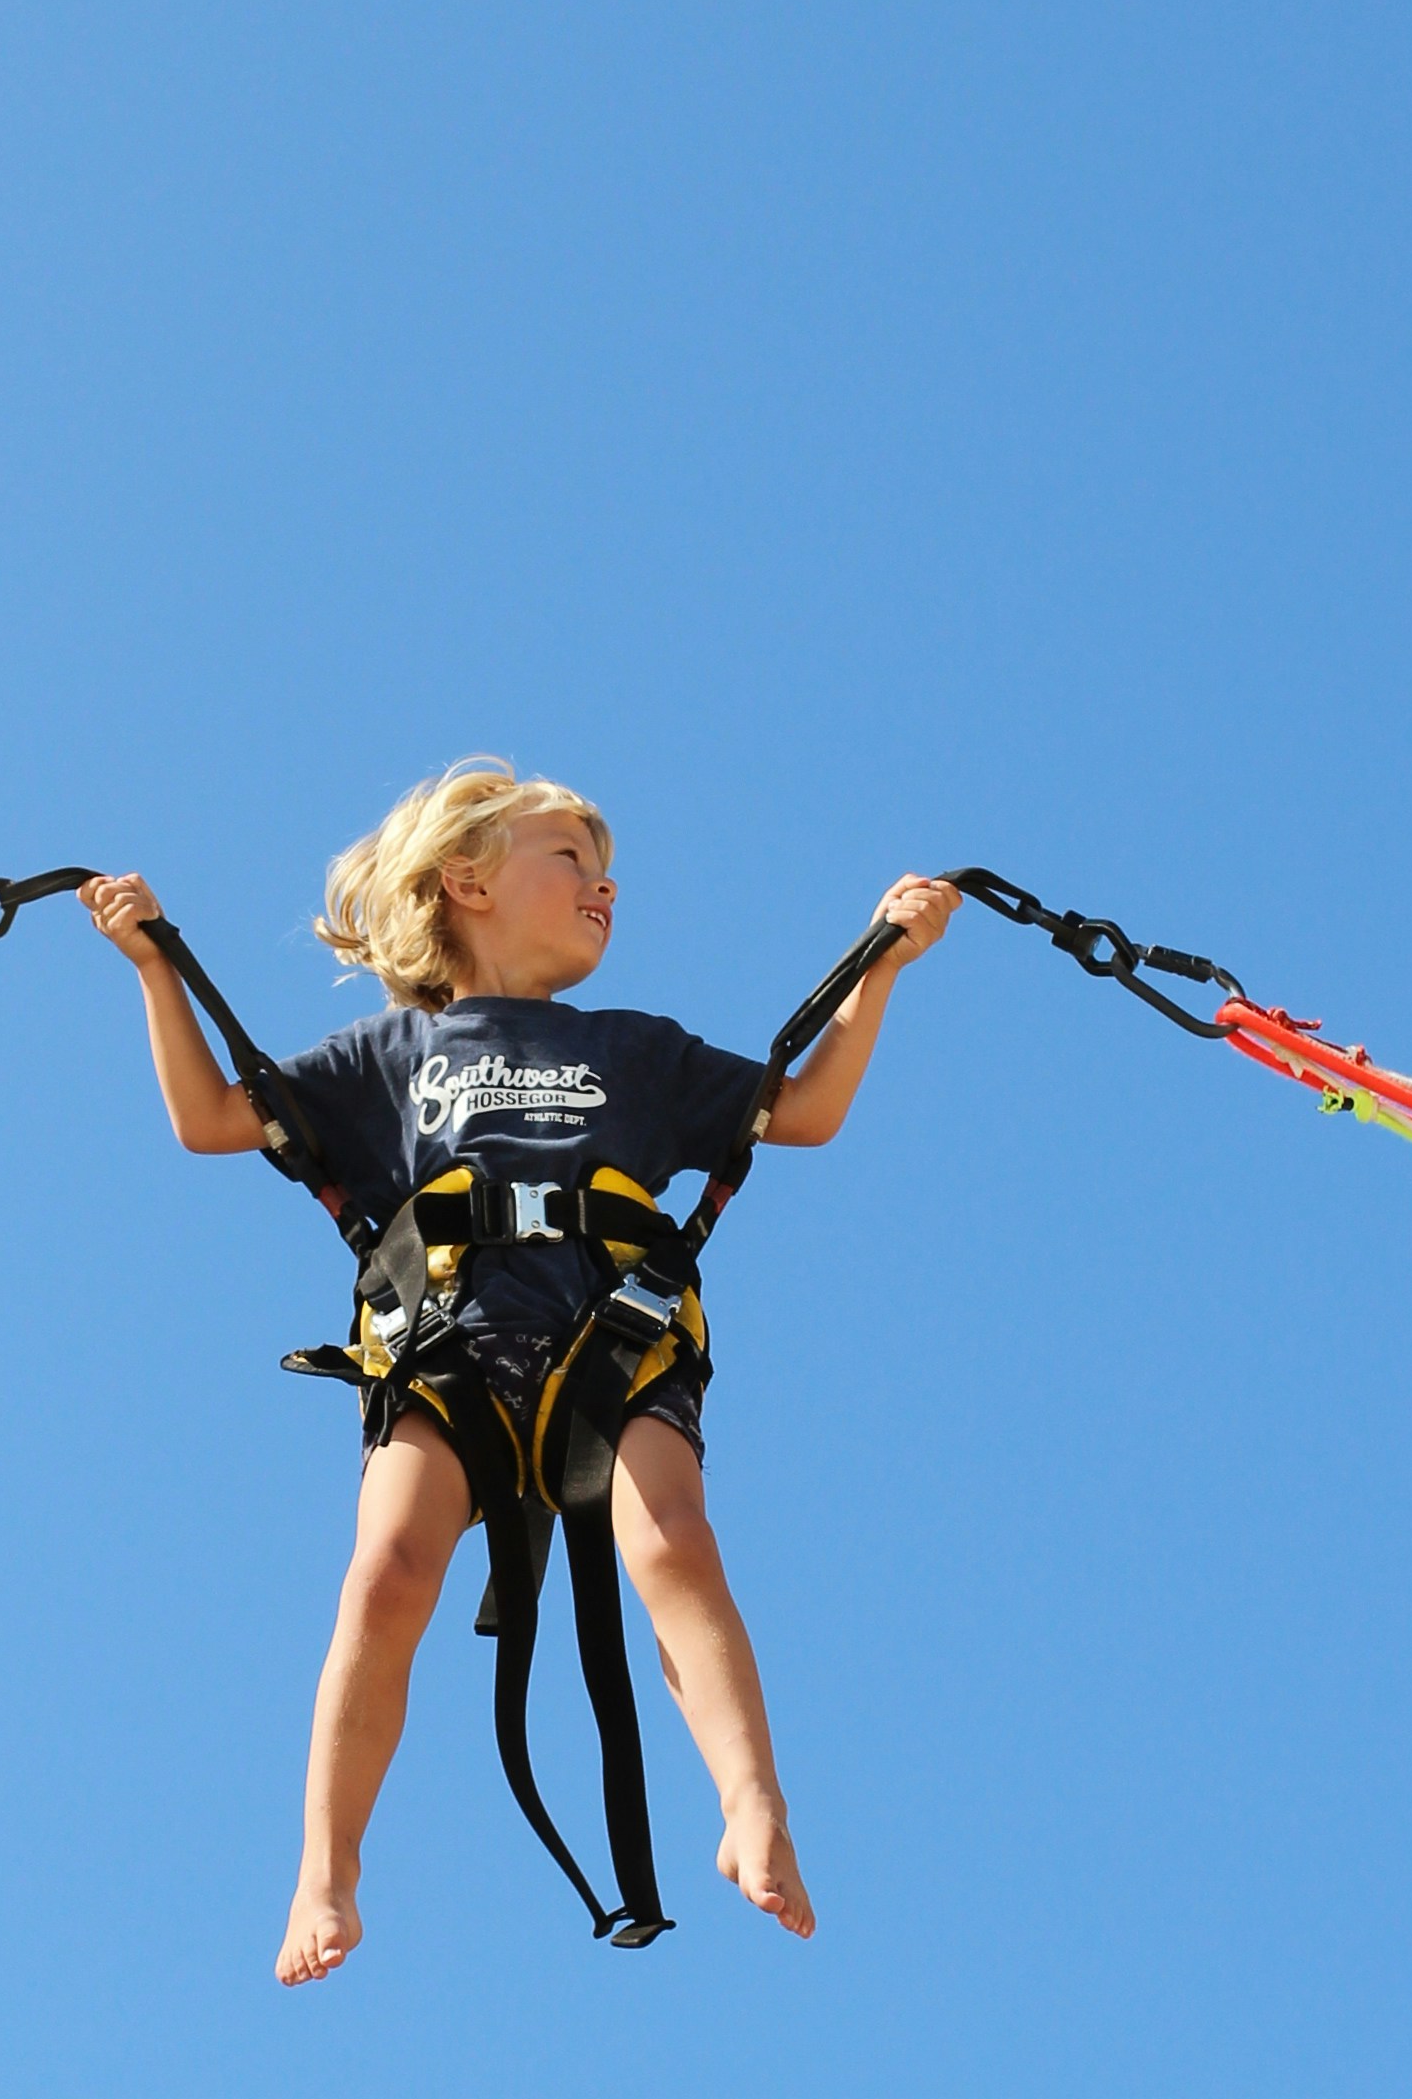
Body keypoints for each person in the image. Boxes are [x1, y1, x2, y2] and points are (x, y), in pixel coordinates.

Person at [84, 765, 958, 1983]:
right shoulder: (387, 1054)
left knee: (675, 1544)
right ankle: (324, 1874)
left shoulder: (638, 1054)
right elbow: (214, 1119)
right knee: (385, 1578)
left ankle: (754, 1804)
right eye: (571, 862)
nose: (602, 889)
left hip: (611, 1341)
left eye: (608, 875)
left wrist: (884, 966)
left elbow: (803, 1112)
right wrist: (152, 967)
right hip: (446, 1347)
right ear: (470, 883)